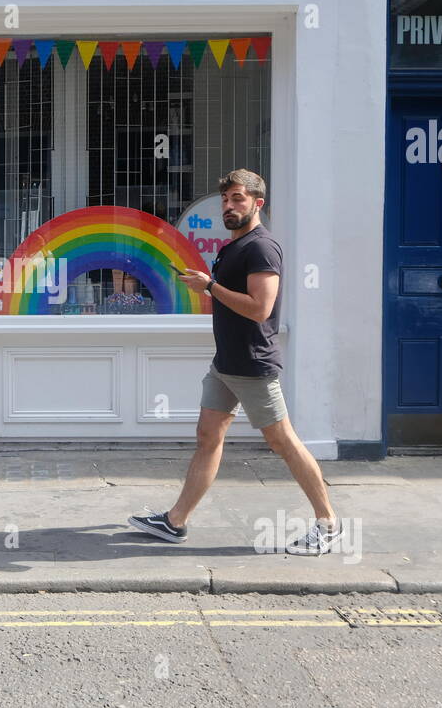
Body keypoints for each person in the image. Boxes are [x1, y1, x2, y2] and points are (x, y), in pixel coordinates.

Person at [127, 169, 342, 555]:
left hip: (253, 364)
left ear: (257, 203)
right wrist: (208, 284)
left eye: (238, 199)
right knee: (208, 437)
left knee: (284, 442)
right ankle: (176, 522)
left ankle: (328, 522)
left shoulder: (261, 247)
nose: (229, 206)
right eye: (225, 199)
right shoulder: (233, 246)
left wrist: (208, 286)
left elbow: (261, 309)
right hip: (226, 363)